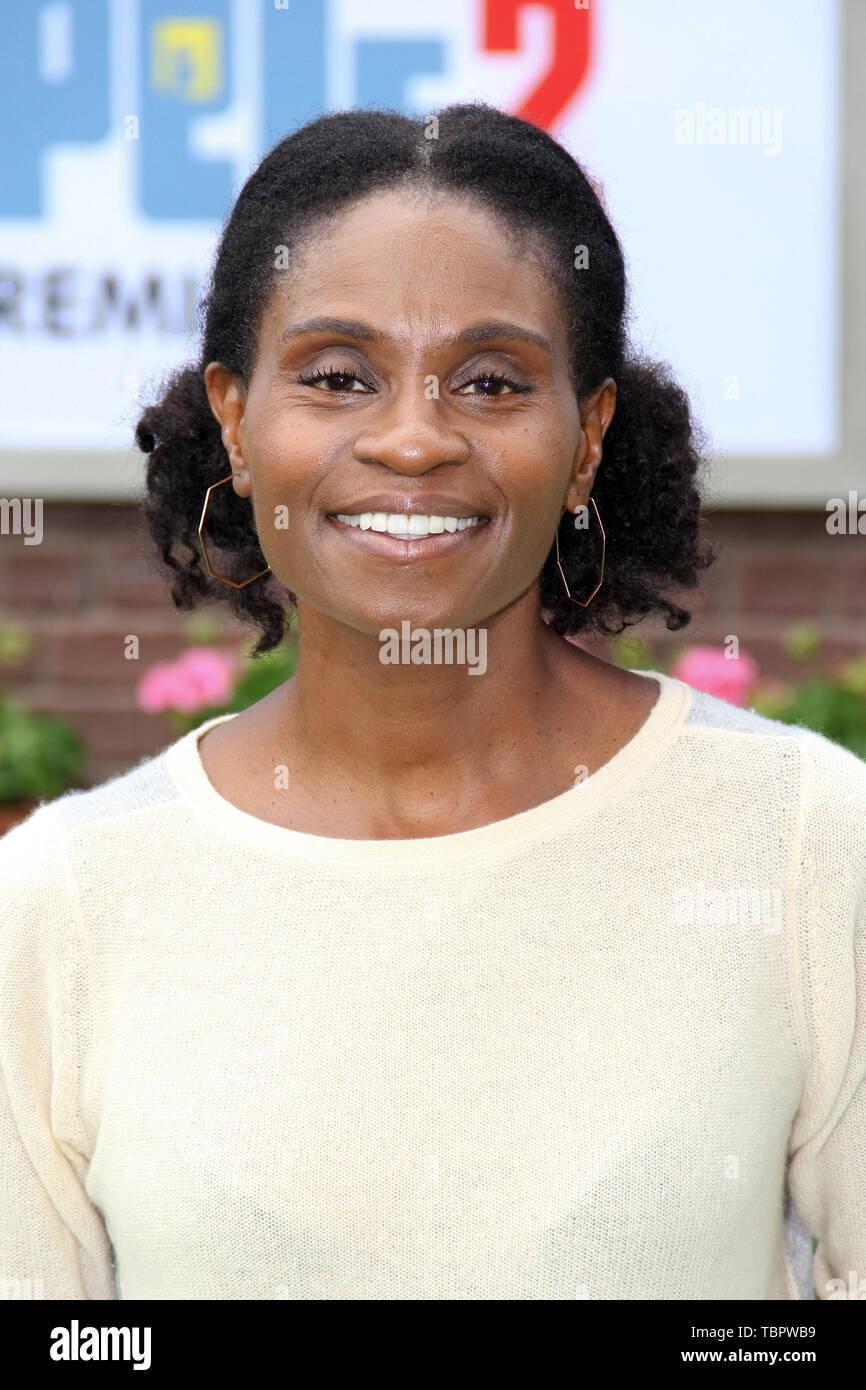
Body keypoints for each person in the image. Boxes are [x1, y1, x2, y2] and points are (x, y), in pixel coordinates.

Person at [1, 103, 863, 1301]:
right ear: (239, 423)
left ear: (584, 441)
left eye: (491, 381)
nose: (412, 440)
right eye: (339, 375)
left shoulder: (806, 840)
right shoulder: (59, 908)